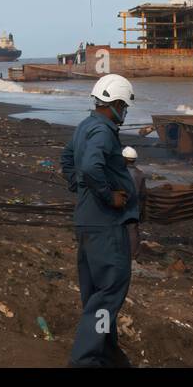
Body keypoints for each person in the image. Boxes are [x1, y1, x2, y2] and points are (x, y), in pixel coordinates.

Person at [61, 73, 139, 367]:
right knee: (109, 291)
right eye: (125, 106)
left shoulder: (85, 126)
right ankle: (86, 360)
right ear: (116, 103)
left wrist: (80, 187)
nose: (125, 112)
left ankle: (107, 353)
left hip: (86, 221)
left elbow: (68, 160)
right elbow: (92, 165)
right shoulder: (104, 131)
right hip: (105, 224)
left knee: (95, 291)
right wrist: (109, 197)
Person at [122, 146, 148, 259]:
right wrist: (142, 210)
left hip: (120, 204)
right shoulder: (140, 174)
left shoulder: (120, 172)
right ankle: (133, 255)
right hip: (134, 205)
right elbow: (143, 194)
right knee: (132, 230)